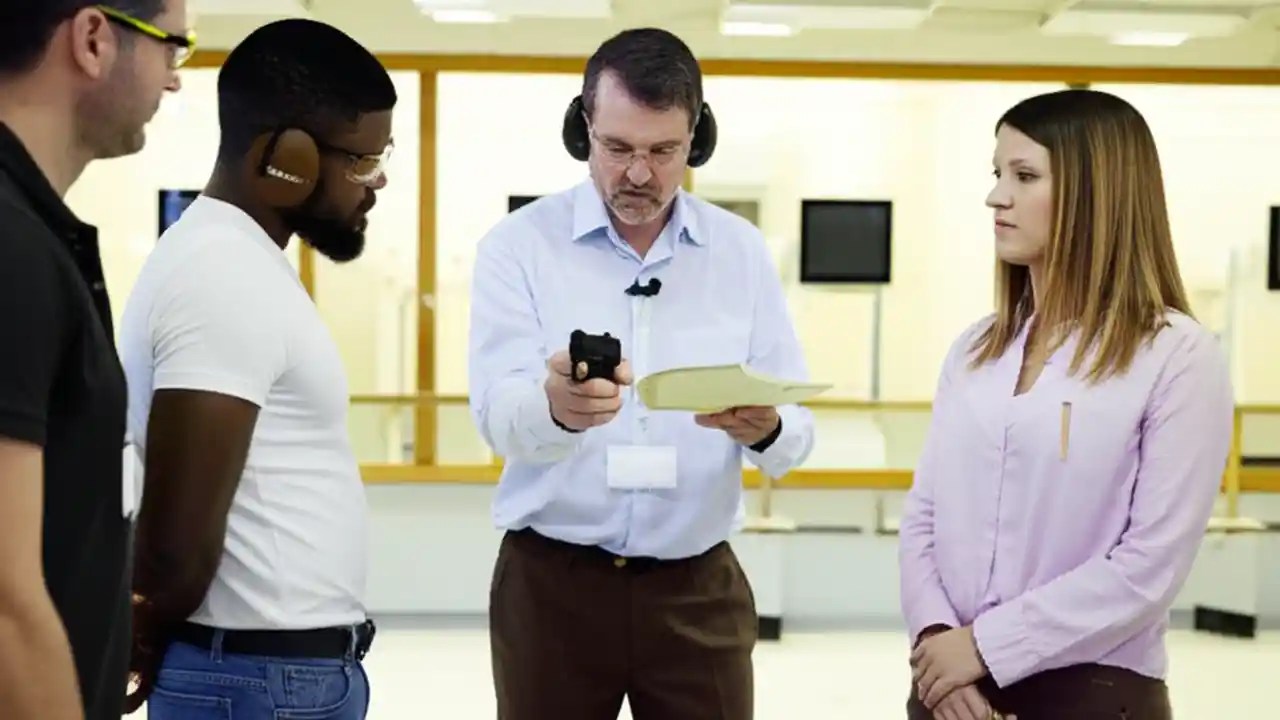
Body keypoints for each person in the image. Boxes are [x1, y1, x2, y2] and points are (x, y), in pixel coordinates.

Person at [469, 27, 815, 720]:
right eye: (618, 148)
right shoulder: (518, 248)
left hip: (697, 588)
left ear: (697, 141)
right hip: (552, 587)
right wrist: (556, 409)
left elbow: (798, 433)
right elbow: (498, 416)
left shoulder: (740, 253)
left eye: (664, 152)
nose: (639, 174)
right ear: (582, 130)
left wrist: (768, 426)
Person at [898, 88, 1233, 720]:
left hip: (1092, 693)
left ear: (1095, 195)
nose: (997, 196)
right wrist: (936, 640)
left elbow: (1148, 566)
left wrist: (984, 647)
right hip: (947, 691)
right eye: (997, 174)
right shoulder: (974, 351)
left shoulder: (1175, 355)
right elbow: (924, 518)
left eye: (1024, 176)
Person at [118, 18, 394, 719]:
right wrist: (144, 638)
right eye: (361, 160)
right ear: (287, 162)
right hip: (254, 681)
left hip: (262, 677)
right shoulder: (222, 273)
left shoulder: (240, 260)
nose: (378, 180)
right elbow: (175, 540)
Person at [0, 2, 187, 718]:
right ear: (92, 38)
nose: (173, 80)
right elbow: (7, 607)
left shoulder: (38, 236)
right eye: (175, 47)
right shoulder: (12, 250)